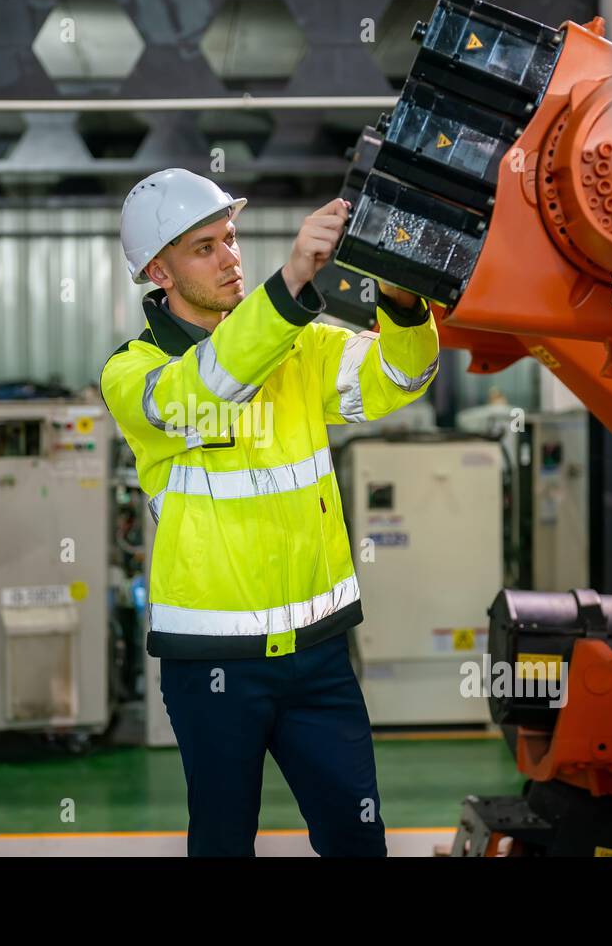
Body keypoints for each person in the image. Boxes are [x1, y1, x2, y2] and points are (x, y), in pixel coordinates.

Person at [100, 168, 439, 856]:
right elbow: (211, 386)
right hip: (214, 665)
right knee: (224, 843)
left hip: (318, 654)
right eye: (205, 248)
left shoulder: (297, 348)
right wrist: (290, 286)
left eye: (230, 239)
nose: (231, 259)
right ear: (159, 272)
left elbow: (401, 379)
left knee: (358, 837)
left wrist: (401, 299)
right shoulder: (134, 376)